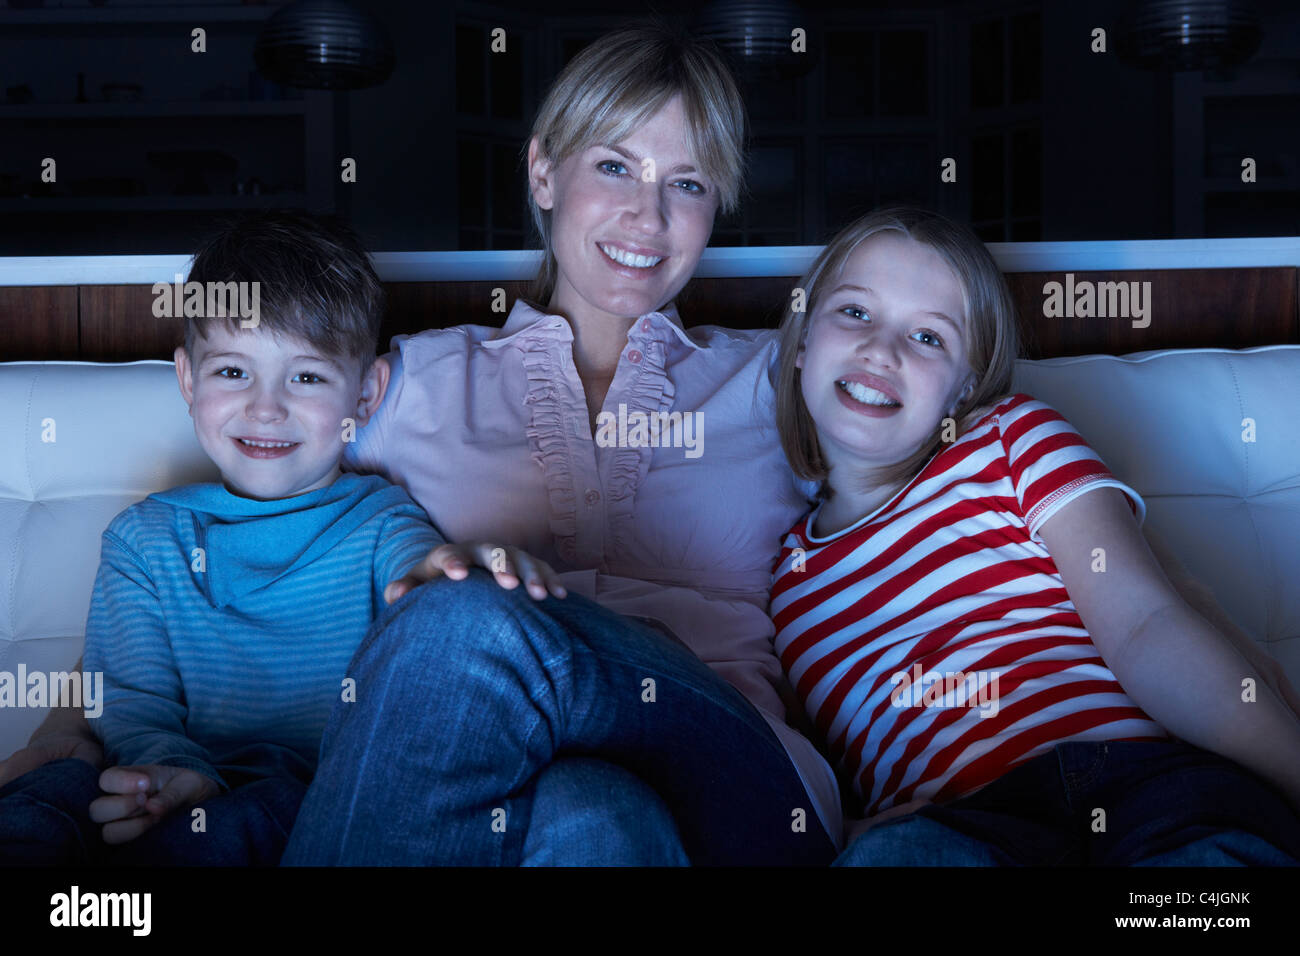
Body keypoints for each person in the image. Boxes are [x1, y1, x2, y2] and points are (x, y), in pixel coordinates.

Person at [0, 210, 559, 865]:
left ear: (366, 396)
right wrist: (167, 773)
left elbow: (425, 579)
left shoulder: (381, 521)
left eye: (308, 377)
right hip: (183, 794)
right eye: (233, 372)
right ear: (188, 379)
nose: (266, 408)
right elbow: (132, 697)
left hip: (327, 803)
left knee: (262, 810)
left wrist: (458, 572)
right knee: (49, 793)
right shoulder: (144, 540)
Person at [769, 204, 1300, 865]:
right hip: (958, 827)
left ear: (965, 388)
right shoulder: (783, 587)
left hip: (1138, 784)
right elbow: (828, 776)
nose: (881, 349)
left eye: (929, 337)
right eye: (854, 312)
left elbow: (1147, 626)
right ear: (800, 341)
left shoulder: (1009, 438)